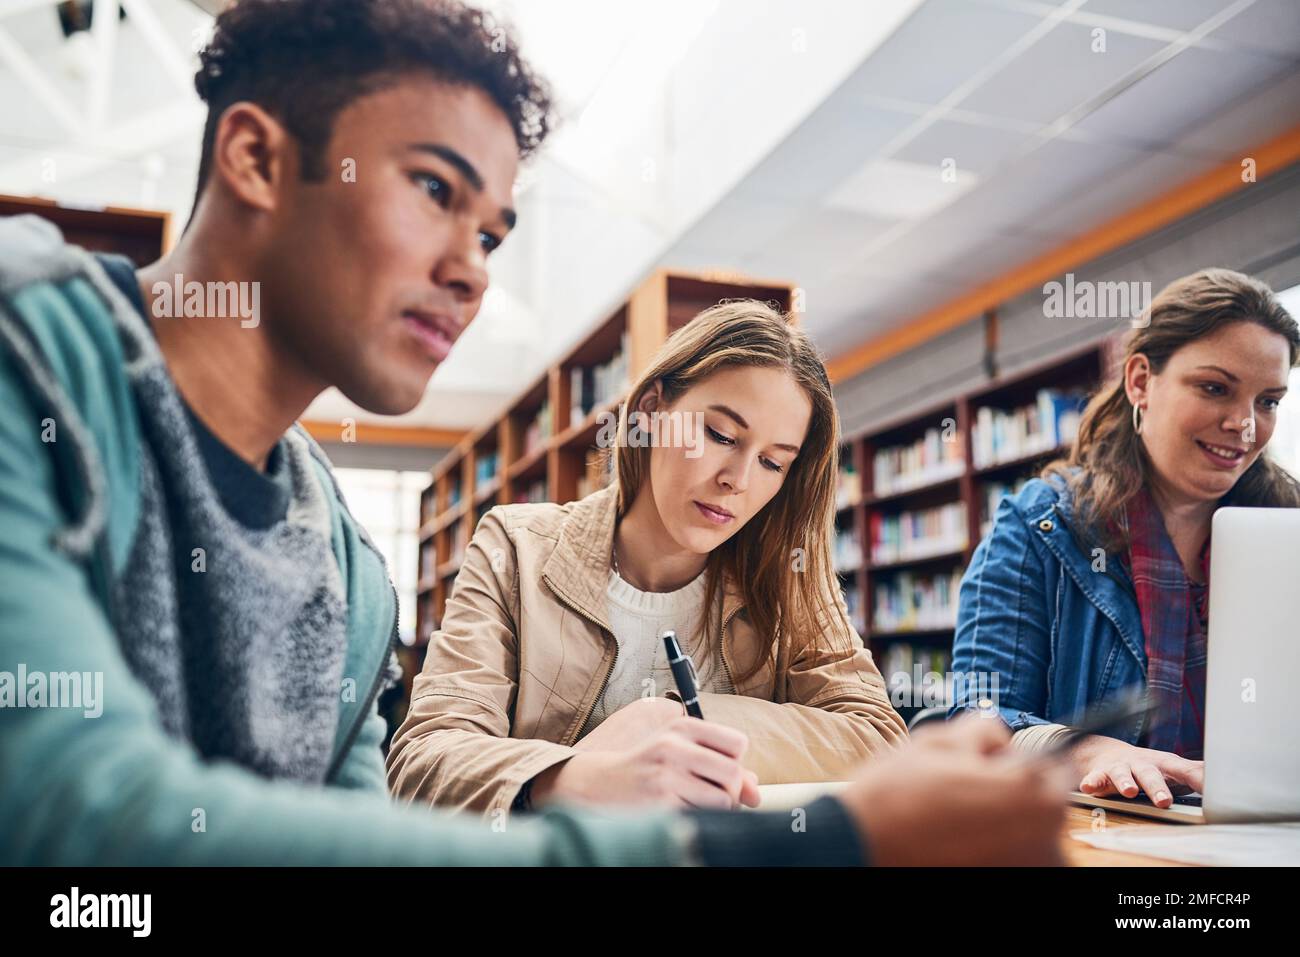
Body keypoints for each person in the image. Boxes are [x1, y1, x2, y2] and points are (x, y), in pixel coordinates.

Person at [1, 0, 1063, 867]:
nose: (474, 270)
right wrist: (802, 840)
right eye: (433, 190)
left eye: (493, 232)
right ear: (255, 158)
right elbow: (73, 826)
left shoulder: (345, 568)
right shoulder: (26, 362)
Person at [387, 301, 908, 815]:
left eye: (773, 462)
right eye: (720, 435)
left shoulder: (787, 572)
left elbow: (877, 738)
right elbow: (423, 764)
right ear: (653, 412)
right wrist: (574, 776)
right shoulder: (516, 547)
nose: (739, 480)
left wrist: (677, 720)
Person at [950, 268, 1299, 809]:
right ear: (1140, 381)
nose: (1245, 424)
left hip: (1257, 835)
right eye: (1215, 388)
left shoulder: (1287, 531)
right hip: (1103, 840)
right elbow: (976, 719)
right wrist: (1086, 752)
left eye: (1268, 401)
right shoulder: (1040, 525)